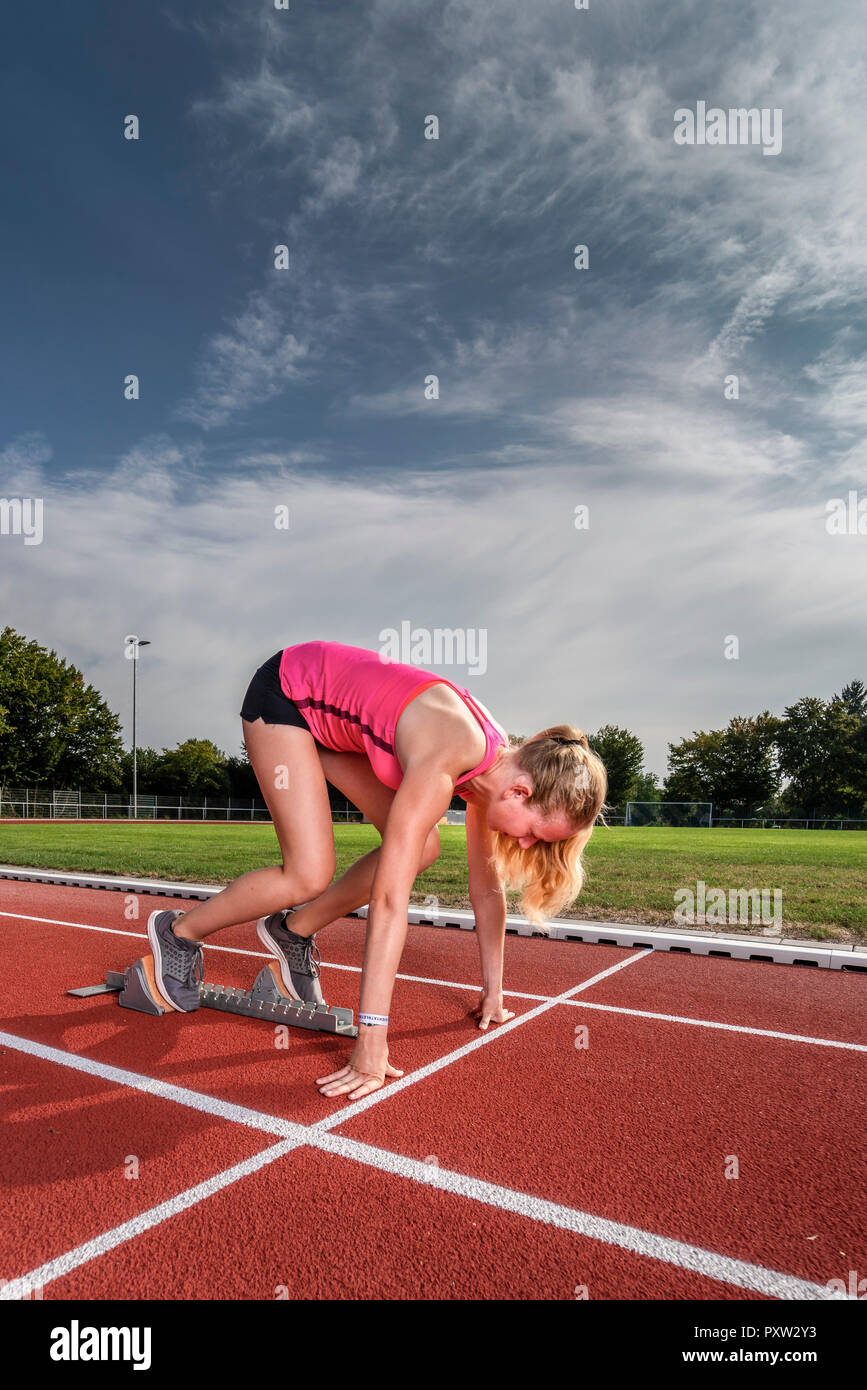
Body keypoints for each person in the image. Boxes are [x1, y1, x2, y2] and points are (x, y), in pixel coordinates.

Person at [143, 641, 607, 1101]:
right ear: (520, 793)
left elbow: (486, 890)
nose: (525, 845)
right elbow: (389, 898)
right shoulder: (451, 754)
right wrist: (371, 1039)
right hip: (286, 695)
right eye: (534, 835)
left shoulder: (492, 771)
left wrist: (494, 992)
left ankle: (292, 931)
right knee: (308, 873)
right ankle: (178, 932)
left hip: (334, 724)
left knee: (423, 846)